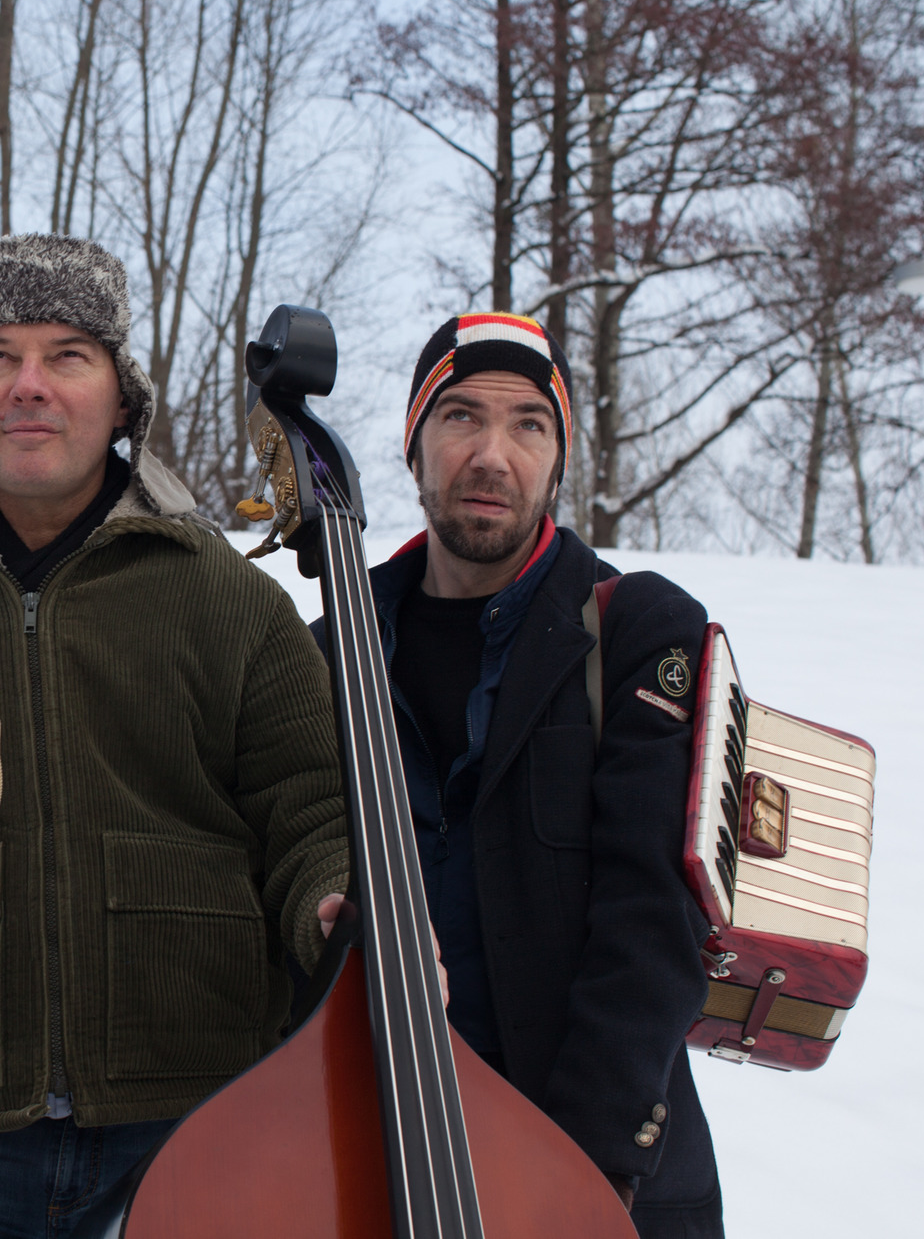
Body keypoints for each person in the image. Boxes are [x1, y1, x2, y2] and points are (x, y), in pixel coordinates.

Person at [0, 234, 352, 1237]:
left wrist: (332, 894)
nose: (27, 387)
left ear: (122, 400)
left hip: (196, 1114)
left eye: (67, 356)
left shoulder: (230, 599)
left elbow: (309, 801)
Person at [316, 311, 722, 1238]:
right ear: (415, 445)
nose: (492, 454)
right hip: (375, 1155)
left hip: (599, 1171)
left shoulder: (638, 631)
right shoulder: (330, 649)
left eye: (528, 424)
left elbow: (654, 917)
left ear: (559, 456)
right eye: (460, 417)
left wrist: (572, 1174)